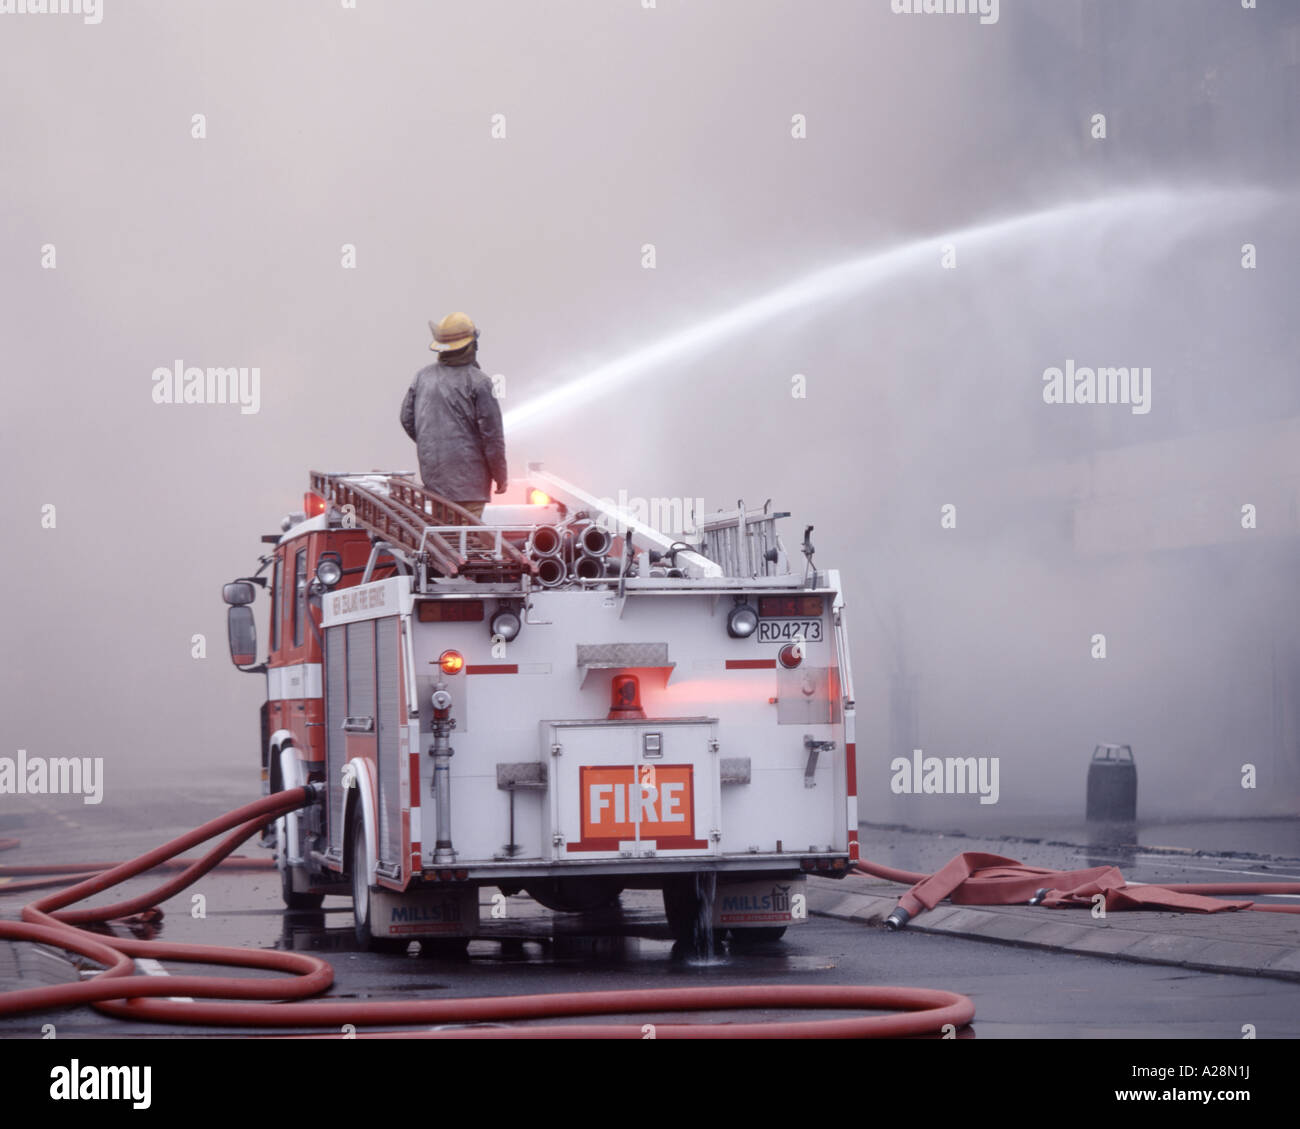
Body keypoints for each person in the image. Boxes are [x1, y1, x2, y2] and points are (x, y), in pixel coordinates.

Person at [400, 312, 507, 521]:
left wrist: (431, 444)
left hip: (435, 483)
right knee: (464, 538)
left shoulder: (422, 377)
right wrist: (500, 476)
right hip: (470, 488)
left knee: (444, 535)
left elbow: (407, 419)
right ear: (472, 345)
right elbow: (492, 437)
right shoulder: (480, 382)